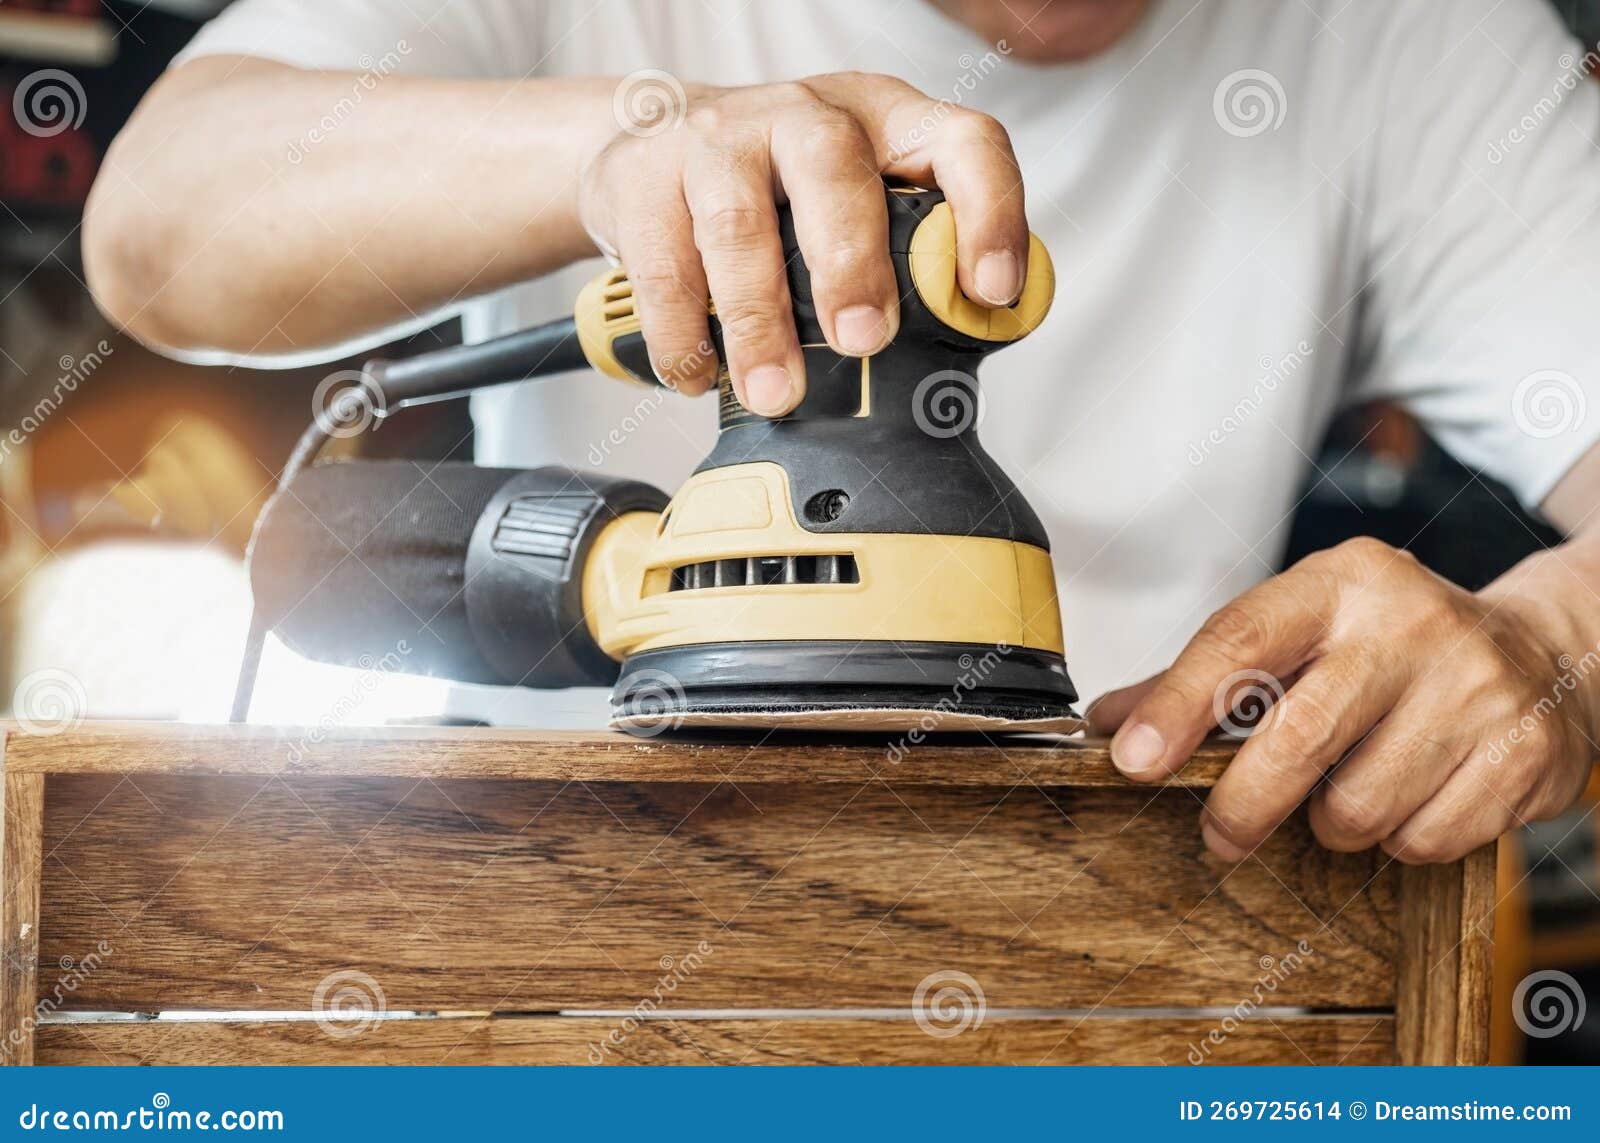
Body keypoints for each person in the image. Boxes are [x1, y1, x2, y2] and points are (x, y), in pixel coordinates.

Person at [83, 0, 1600, 864]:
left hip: (1123, 934)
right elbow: (157, 231)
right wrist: (623, 148)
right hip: (572, 918)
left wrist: (1558, 645)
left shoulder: (1416, 35)